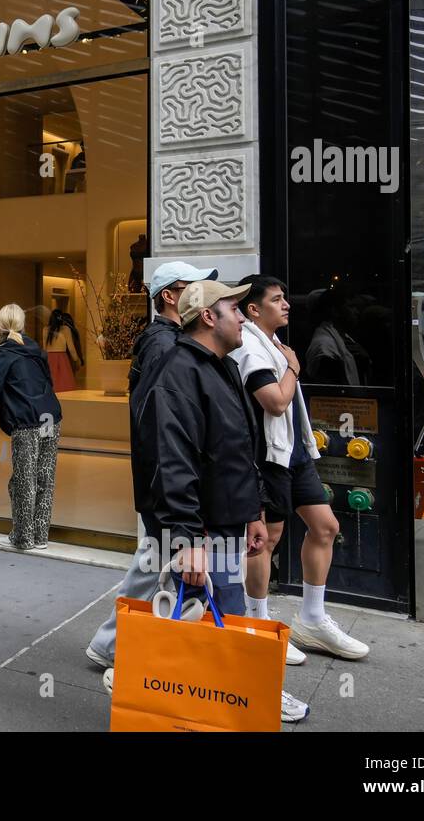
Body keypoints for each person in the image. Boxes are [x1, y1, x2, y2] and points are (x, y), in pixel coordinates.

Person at [129, 279, 307, 723]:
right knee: (217, 611)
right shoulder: (177, 371)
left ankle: (217, 695)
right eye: (233, 307)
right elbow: (173, 459)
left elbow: (238, 451)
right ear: (209, 317)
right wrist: (187, 537)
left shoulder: (223, 365)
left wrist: (255, 513)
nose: (244, 316)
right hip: (202, 530)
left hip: (228, 520)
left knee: (216, 612)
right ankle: (233, 695)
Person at [86, 261, 216, 672]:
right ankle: (145, 653)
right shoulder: (165, 345)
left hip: (161, 479)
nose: (202, 292)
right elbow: (164, 423)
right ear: (170, 296)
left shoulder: (167, 340)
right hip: (165, 480)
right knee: (169, 560)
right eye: (192, 286)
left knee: (153, 558)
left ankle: (110, 643)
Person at [233, 275, 370, 661]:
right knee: (265, 541)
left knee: (325, 526)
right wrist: (293, 368)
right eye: (277, 300)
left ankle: (312, 618)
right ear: (254, 309)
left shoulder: (275, 344)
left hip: (295, 453)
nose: (286, 304)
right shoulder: (249, 348)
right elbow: (275, 402)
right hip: (270, 459)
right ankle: (257, 624)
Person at [0, 303, 62, 550]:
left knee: (24, 480)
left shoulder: (3, 352)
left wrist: (11, 402)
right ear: (22, 324)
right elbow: (48, 381)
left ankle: (22, 538)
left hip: (26, 420)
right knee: (44, 478)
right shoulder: (35, 349)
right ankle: (40, 537)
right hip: (51, 416)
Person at [43, 308, 83, 392]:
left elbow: (44, 348)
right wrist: (76, 359)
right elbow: (71, 348)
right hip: (62, 358)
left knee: (51, 385)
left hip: (49, 358)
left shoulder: (45, 329)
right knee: (65, 385)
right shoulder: (65, 329)